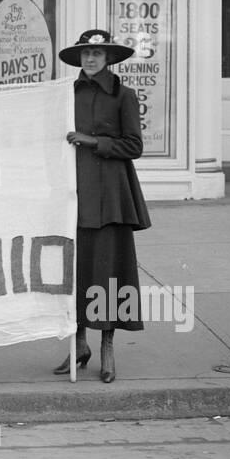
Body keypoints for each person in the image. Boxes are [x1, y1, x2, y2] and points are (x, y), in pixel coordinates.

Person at [54, 29, 151, 383]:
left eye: (97, 53)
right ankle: (78, 343)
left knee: (109, 272)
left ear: (109, 57)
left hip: (112, 197)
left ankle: (107, 345)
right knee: (76, 272)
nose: (90, 59)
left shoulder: (123, 95)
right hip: (75, 194)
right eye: (85, 53)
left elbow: (133, 146)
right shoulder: (65, 96)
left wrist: (94, 141)